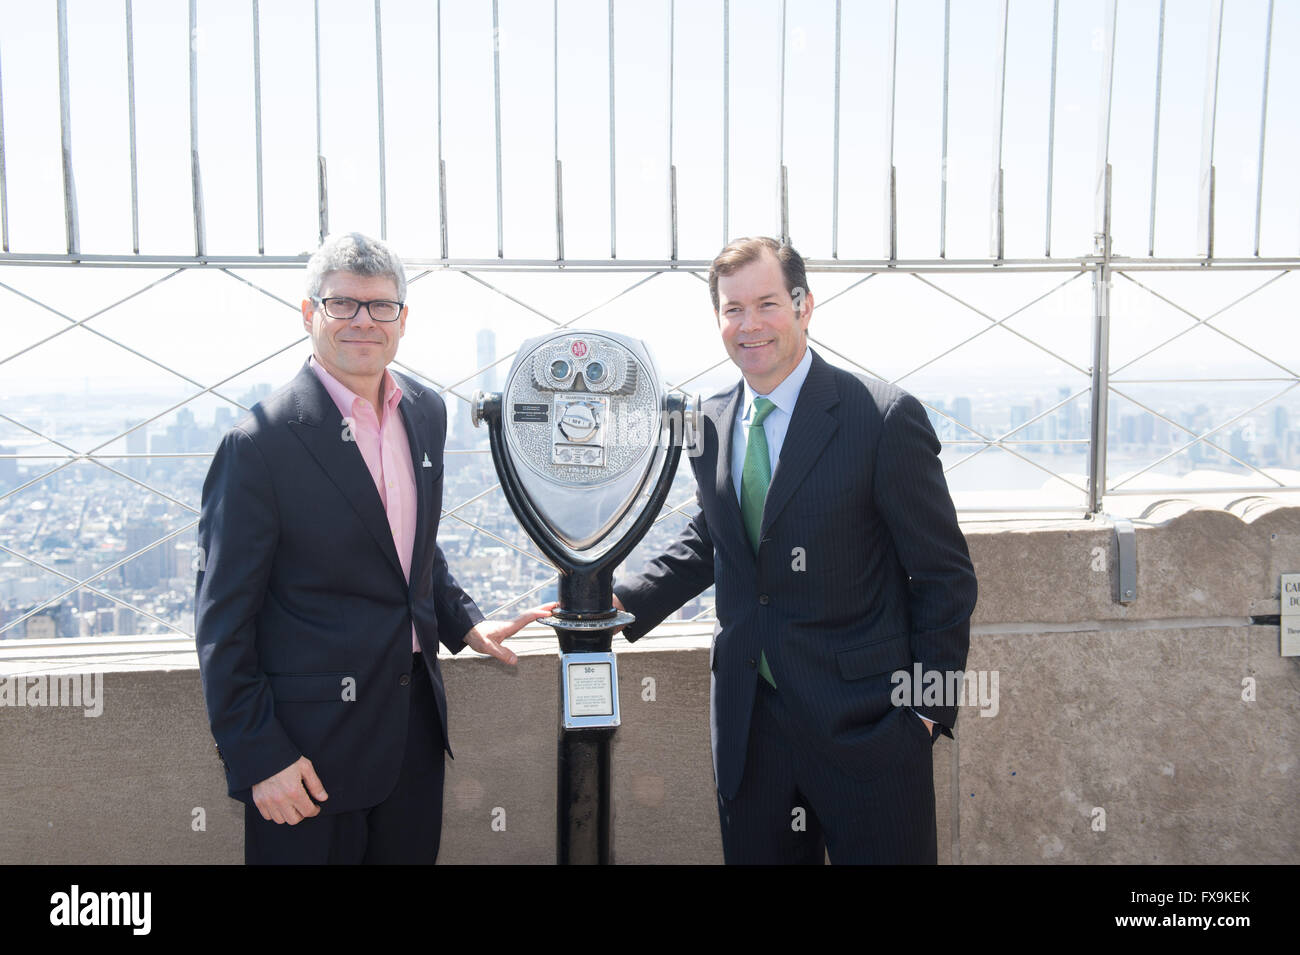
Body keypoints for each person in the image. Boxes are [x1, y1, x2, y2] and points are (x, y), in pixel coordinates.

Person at [613, 237, 977, 864]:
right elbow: (716, 535)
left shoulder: (882, 417)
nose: (749, 325)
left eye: (767, 304)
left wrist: (926, 713)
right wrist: (615, 600)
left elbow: (945, 576)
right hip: (752, 734)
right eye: (733, 309)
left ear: (806, 306)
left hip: (871, 730)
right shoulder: (709, 419)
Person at [195, 232, 551, 864]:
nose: (363, 321)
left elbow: (411, 550)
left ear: (403, 321)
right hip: (305, 755)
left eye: (381, 306)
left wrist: (465, 623)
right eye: (342, 304)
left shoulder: (425, 411)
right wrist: (260, 757)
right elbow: (222, 623)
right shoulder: (259, 445)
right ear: (310, 314)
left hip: (412, 732)